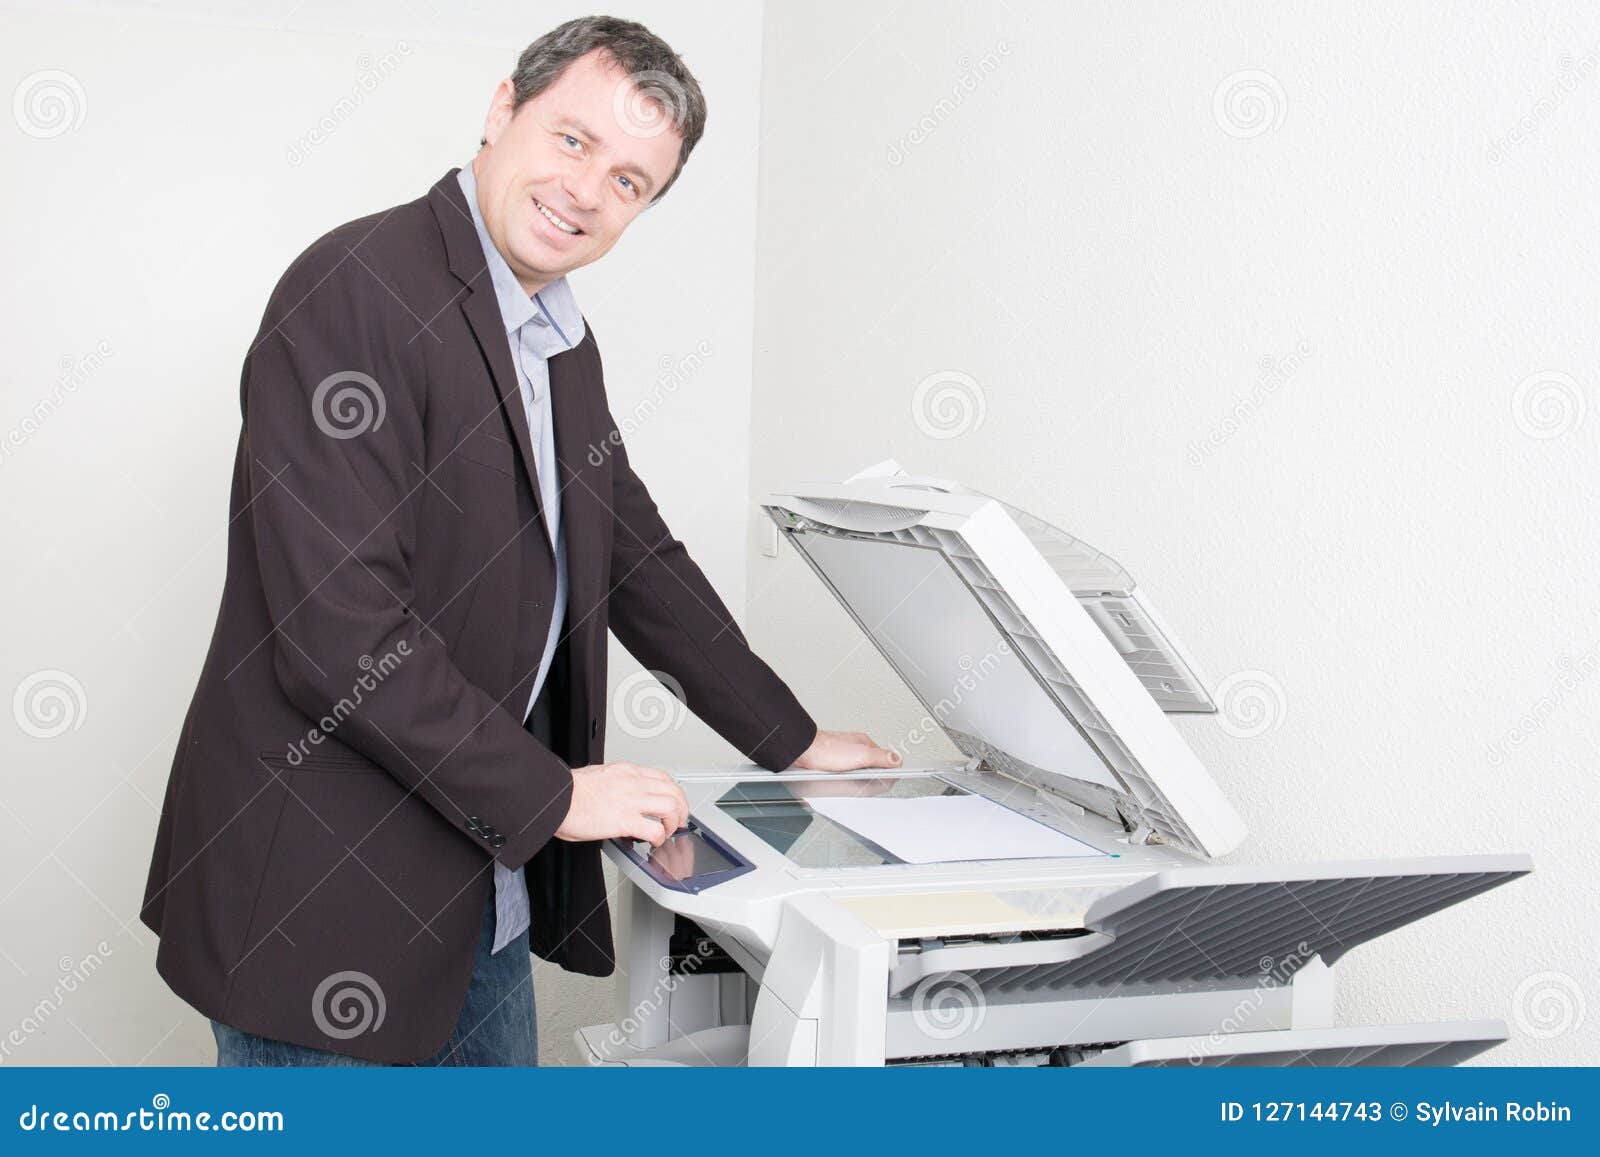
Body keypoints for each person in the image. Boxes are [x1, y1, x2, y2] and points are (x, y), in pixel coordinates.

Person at [139, 14, 898, 1067]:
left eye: (629, 181)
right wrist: (559, 793)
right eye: (573, 140)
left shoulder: (555, 333)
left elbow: (635, 554)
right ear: (502, 111)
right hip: (329, 901)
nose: (586, 191)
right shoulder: (355, 288)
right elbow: (338, 631)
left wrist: (791, 738)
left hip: (477, 886)